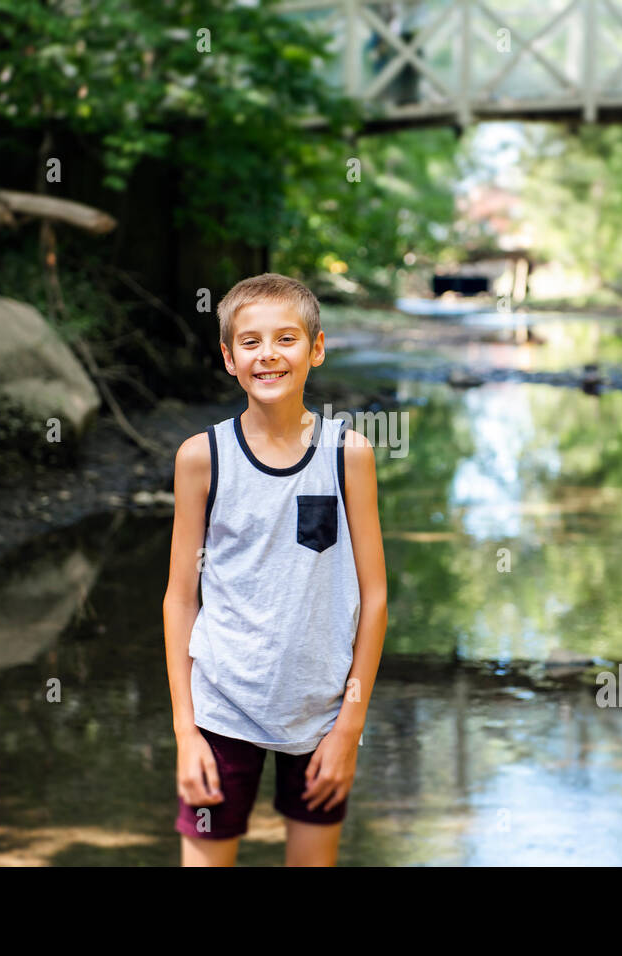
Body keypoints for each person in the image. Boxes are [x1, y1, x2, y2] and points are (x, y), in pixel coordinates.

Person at [162, 273, 388, 866]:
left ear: (315, 349)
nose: (268, 354)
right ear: (229, 358)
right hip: (220, 710)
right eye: (251, 342)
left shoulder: (349, 455)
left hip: (320, 717)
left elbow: (375, 598)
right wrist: (186, 734)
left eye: (286, 339)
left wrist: (347, 730)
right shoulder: (201, 458)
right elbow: (180, 598)